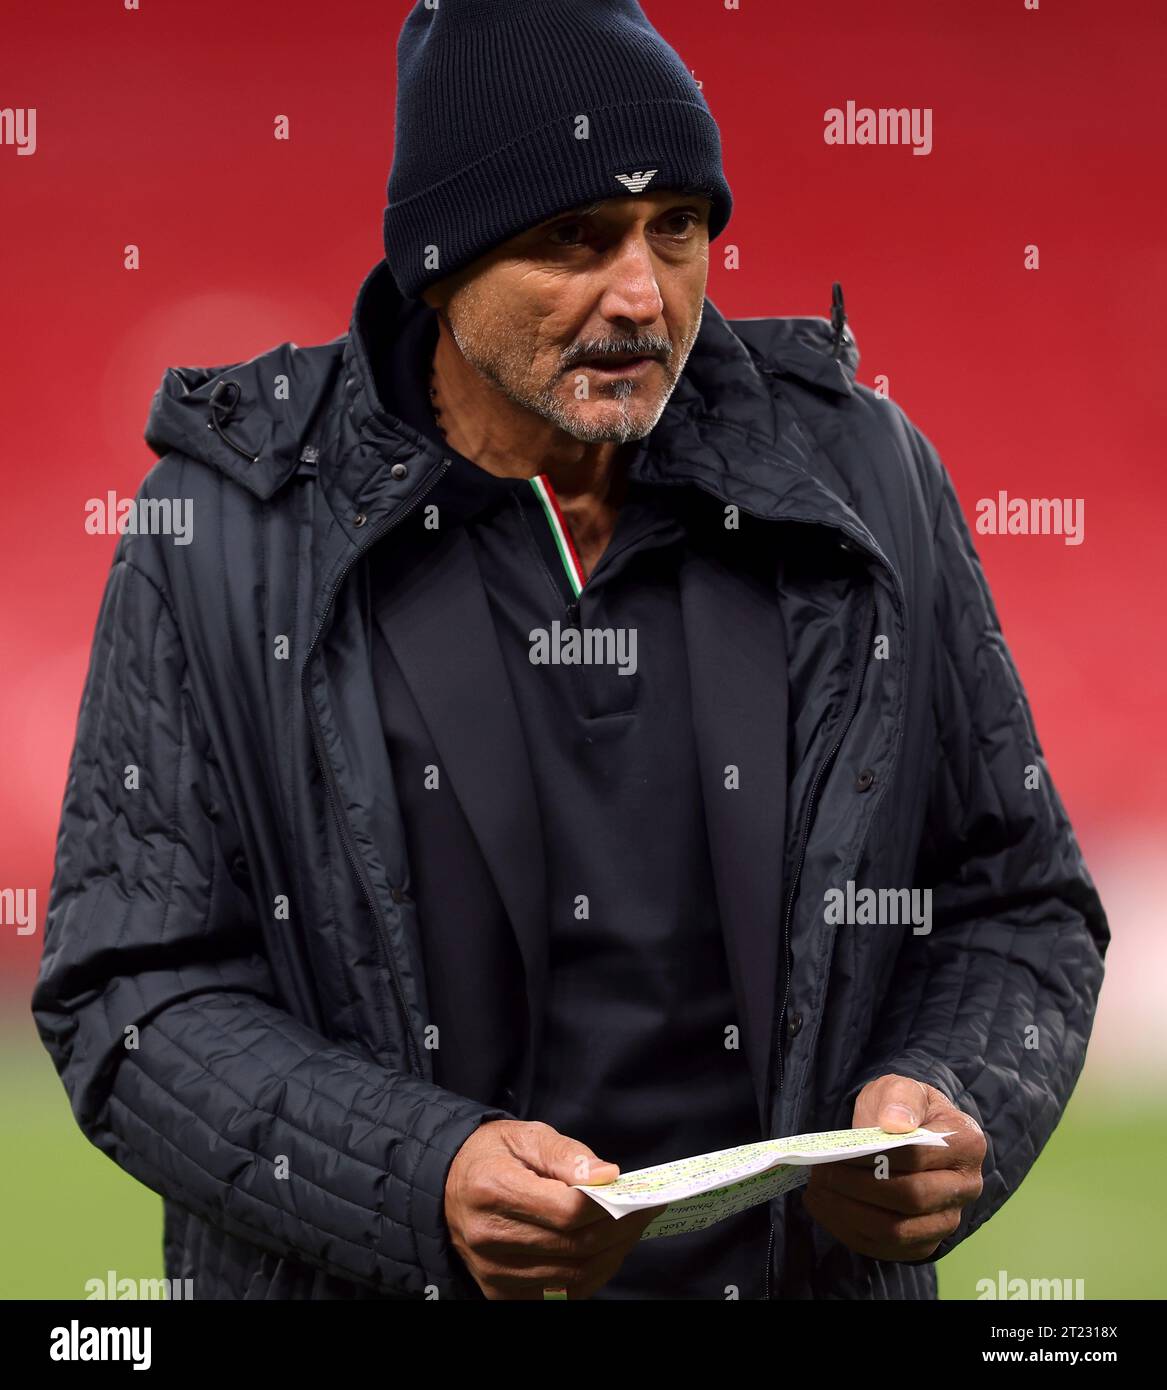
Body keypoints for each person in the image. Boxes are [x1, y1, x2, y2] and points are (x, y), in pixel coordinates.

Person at [32, 0, 1108, 1301]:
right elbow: (127, 997)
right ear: (442, 265)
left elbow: (1015, 898)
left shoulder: (864, 476)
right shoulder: (222, 527)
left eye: (679, 228)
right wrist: (419, 1175)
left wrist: (958, 1091)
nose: (644, 294)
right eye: (574, 239)